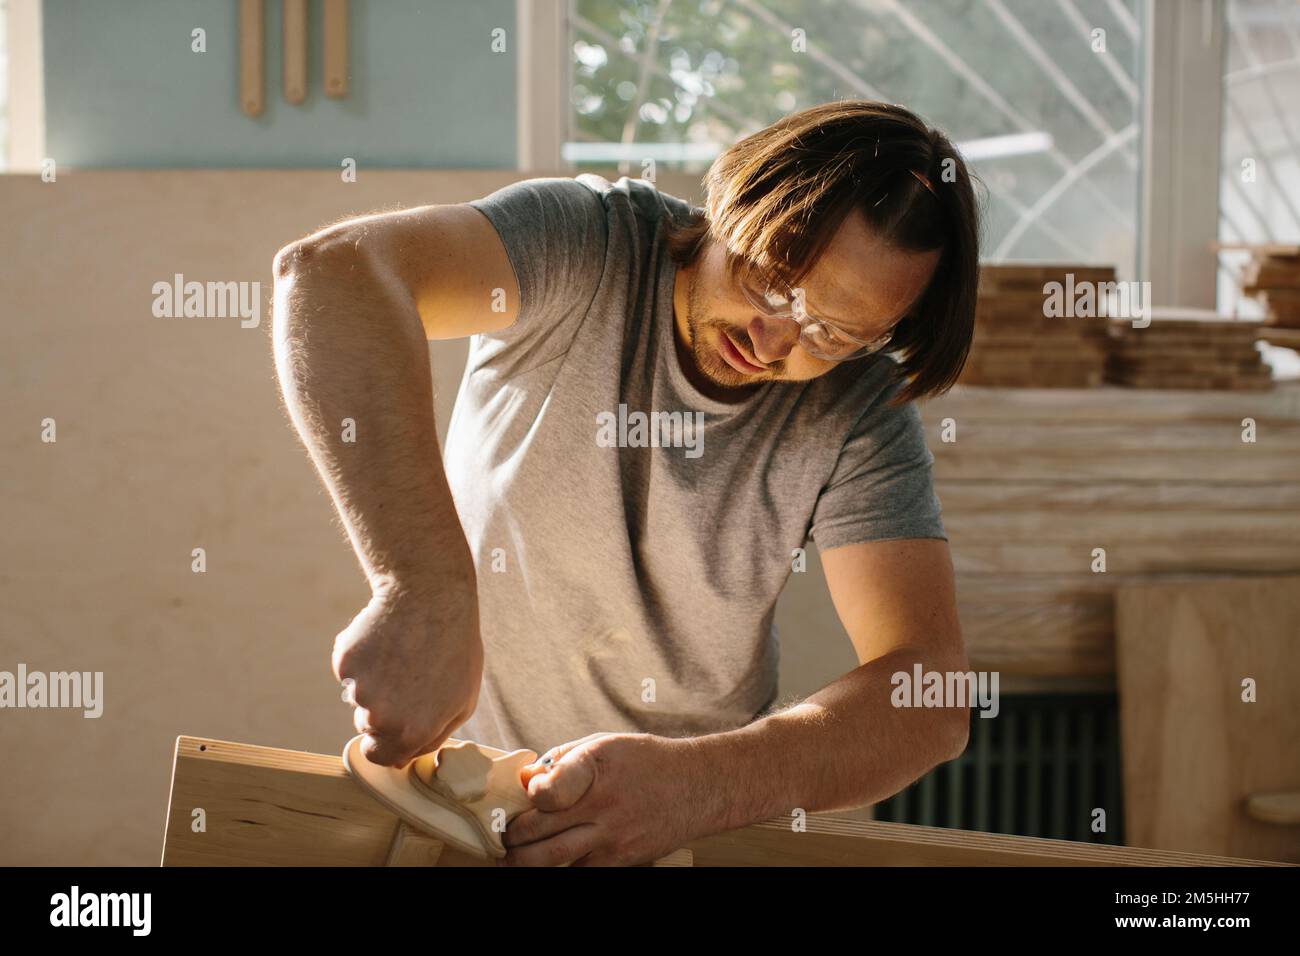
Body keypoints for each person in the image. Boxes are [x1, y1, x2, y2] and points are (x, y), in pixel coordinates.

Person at [271, 99, 980, 866]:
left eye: (831, 333)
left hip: (681, 827)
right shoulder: (589, 241)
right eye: (769, 280)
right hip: (463, 801)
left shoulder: (857, 407)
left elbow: (931, 696)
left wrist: (701, 787)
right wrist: (420, 583)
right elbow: (333, 275)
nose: (772, 339)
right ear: (732, 202)